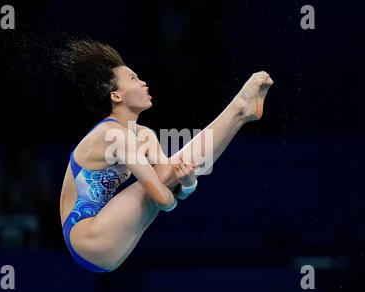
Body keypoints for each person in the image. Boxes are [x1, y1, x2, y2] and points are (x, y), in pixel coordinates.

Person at [59, 38, 273, 272]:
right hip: (87, 238)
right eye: (133, 79)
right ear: (116, 96)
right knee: (165, 178)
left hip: (109, 248)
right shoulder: (113, 135)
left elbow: (173, 186)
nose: (143, 83)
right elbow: (164, 199)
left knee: (172, 171)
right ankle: (238, 108)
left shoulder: (145, 135)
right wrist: (179, 188)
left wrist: (189, 183)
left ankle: (240, 115)